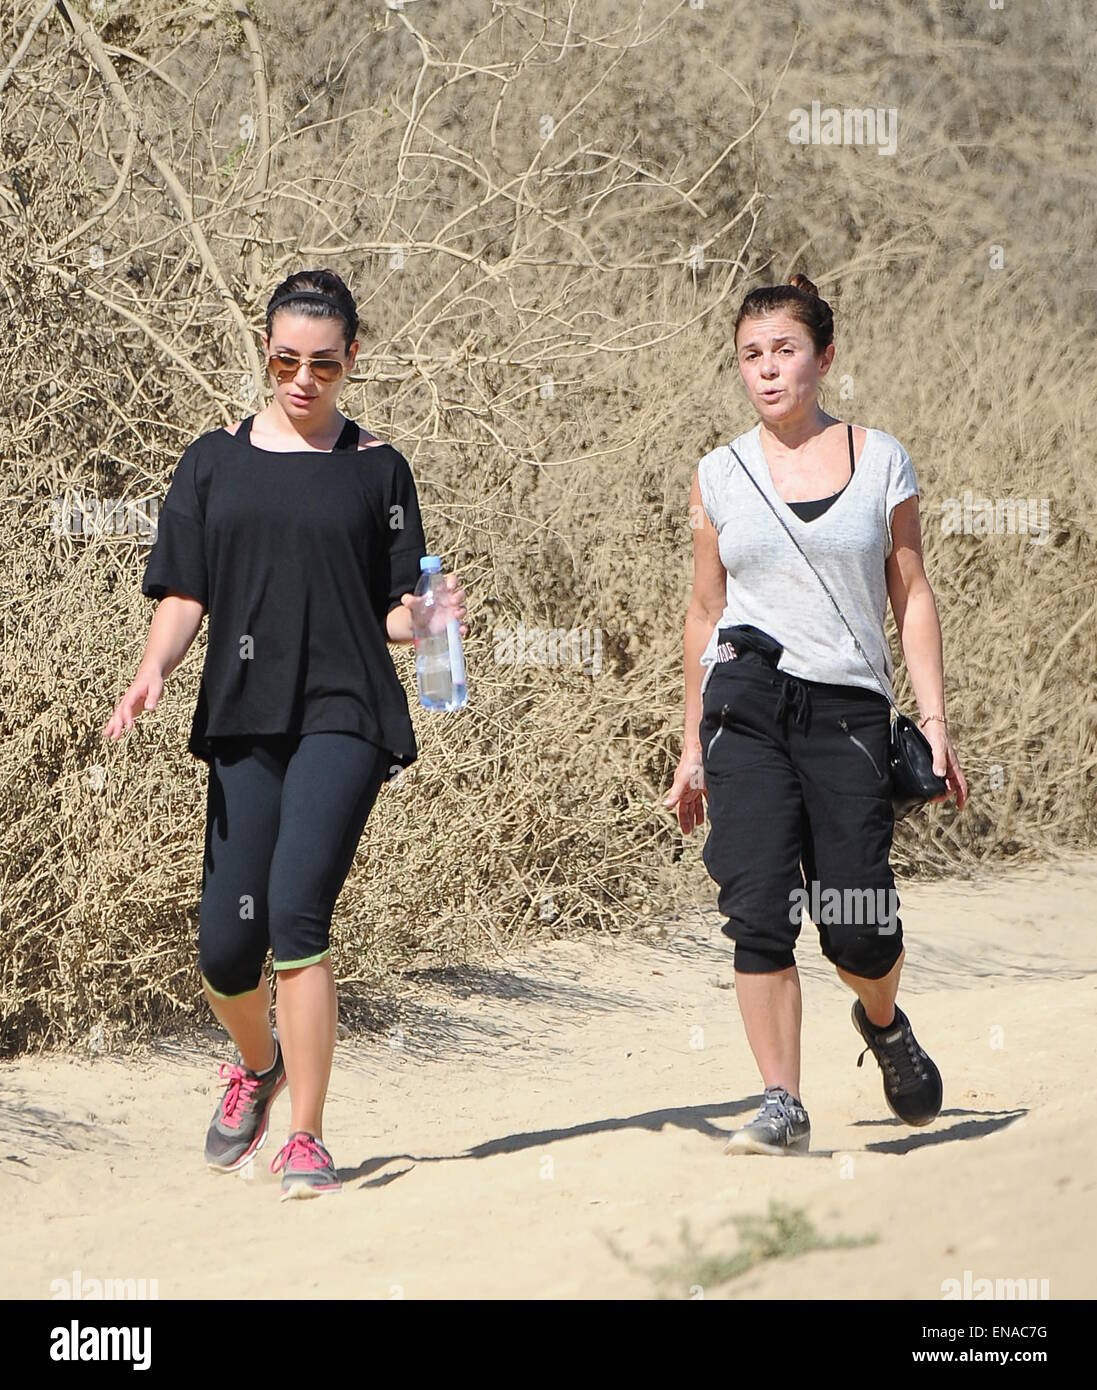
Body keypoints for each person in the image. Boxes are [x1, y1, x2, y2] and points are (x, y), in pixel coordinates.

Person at [103, 268, 469, 1198]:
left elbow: (394, 605)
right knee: (227, 951)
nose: (303, 379)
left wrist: (424, 626)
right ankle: (256, 1063)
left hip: (344, 712)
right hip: (242, 713)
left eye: (325, 363)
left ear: (352, 360)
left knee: (299, 917)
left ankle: (305, 1133)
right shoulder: (211, 461)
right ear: (264, 353)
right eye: (285, 360)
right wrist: (154, 670)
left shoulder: (378, 468)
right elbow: (187, 590)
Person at [663, 272, 968, 1155]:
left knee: (857, 924)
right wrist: (690, 744)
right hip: (746, 705)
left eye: (784, 351)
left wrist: (934, 721)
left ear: (823, 358)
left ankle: (881, 1020)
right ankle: (780, 1101)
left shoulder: (881, 460)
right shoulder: (717, 474)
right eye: (750, 356)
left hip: (848, 712)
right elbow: (701, 611)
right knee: (756, 905)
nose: (766, 371)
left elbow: (910, 593)